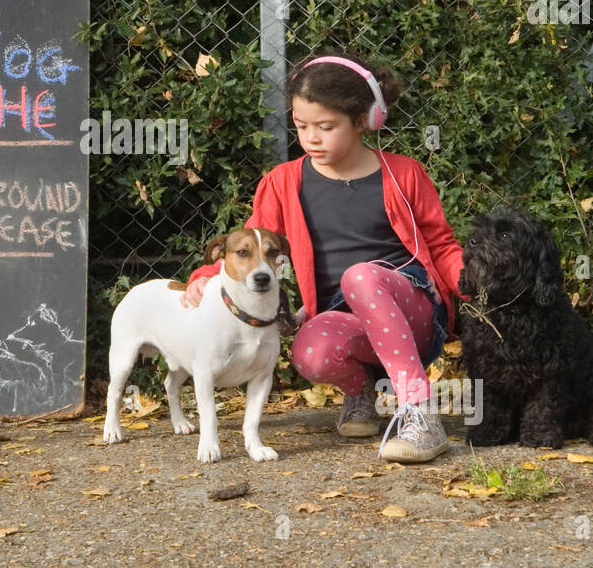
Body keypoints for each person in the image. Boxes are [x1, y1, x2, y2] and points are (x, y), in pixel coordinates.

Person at [180, 52, 466, 463]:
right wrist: (206, 276)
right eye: (301, 126)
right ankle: (361, 390)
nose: (311, 137)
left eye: (326, 127)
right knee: (308, 352)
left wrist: (470, 282)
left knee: (361, 277)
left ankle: (420, 414)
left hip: (413, 312)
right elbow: (251, 239)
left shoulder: (403, 174)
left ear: (366, 120)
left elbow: (440, 245)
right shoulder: (283, 182)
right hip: (343, 315)